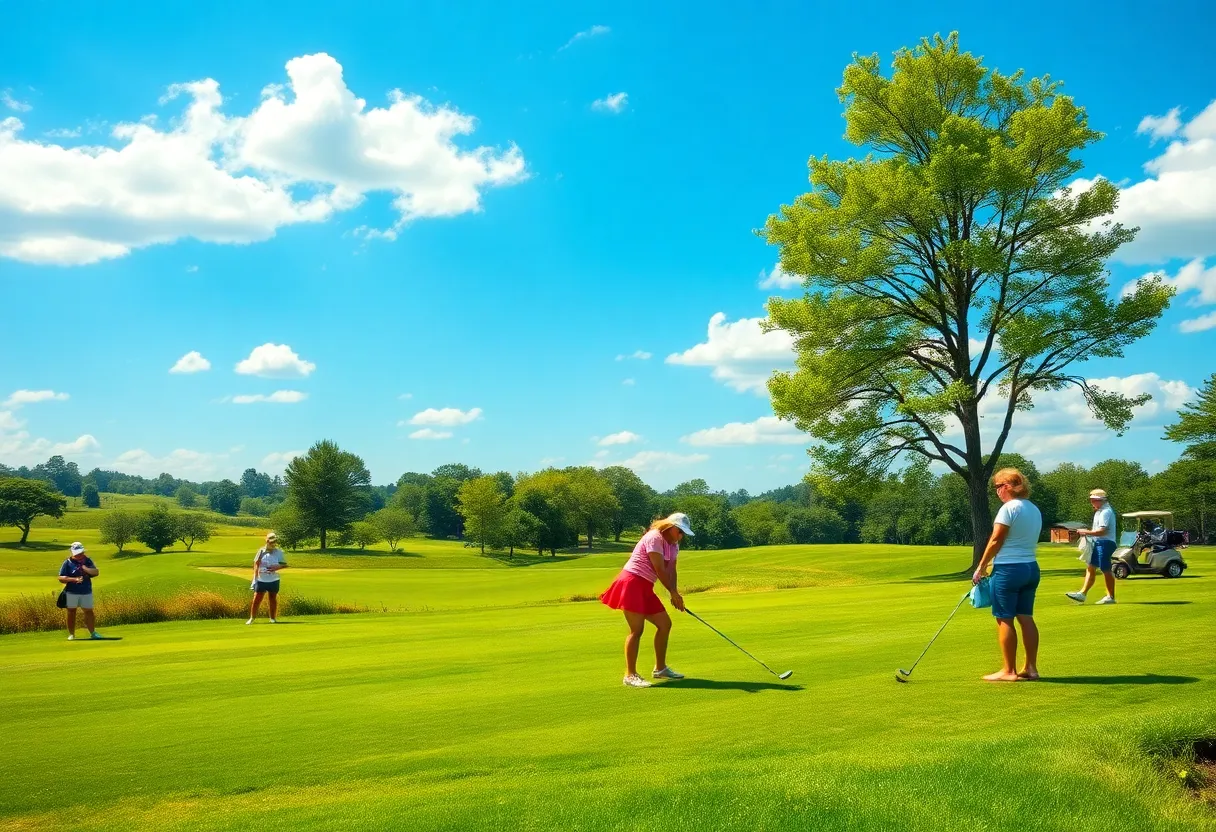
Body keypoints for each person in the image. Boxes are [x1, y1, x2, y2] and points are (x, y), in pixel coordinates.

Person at [600, 513, 693, 687]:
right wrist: (672, 592)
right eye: (679, 531)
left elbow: (671, 570)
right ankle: (630, 675)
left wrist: (675, 593)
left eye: (683, 533)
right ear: (669, 526)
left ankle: (660, 669)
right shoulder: (654, 537)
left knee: (665, 624)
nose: (681, 536)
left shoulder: (674, 545)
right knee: (637, 630)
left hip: (645, 586)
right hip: (632, 582)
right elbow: (659, 569)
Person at [972, 468, 1043, 682]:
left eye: (998, 487)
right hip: (1031, 568)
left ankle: (1009, 671)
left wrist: (981, 566)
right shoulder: (1033, 509)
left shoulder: (1008, 509)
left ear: (1008, 487)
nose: (997, 492)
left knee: (1004, 619)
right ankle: (1031, 668)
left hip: (1008, 569)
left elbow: (996, 540)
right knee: (1026, 617)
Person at [1066, 489, 1117, 605]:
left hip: (1105, 543)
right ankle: (1082, 594)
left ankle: (1110, 596)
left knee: (1105, 568)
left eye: (1094, 500)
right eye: (1092, 500)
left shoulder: (1105, 512)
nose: (1092, 503)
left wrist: (1086, 532)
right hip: (1098, 542)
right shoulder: (1100, 511)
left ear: (1101, 500)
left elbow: (1102, 531)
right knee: (1090, 567)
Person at [59, 541, 103, 640]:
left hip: (86, 590)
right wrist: (74, 579)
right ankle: (71, 634)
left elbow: (96, 572)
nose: (80, 555)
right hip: (71, 591)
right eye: (77, 553)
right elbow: (61, 578)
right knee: (71, 611)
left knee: (88, 611)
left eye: (81, 553)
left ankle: (93, 633)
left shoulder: (87, 561)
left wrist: (85, 568)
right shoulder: (67, 563)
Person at [247, 532, 288, 624]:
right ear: (267, 541)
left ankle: (272, 618)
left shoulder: (279, 552)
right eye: (271, 542)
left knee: (272, 598)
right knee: (257, 599)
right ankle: (252, 618)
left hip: (274, 579)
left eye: (275, 542)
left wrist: (277, 567)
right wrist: (255, 578)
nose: (273, 544)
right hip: (261, 579)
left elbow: (285, 564)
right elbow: (256, 564)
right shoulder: (261, 551)